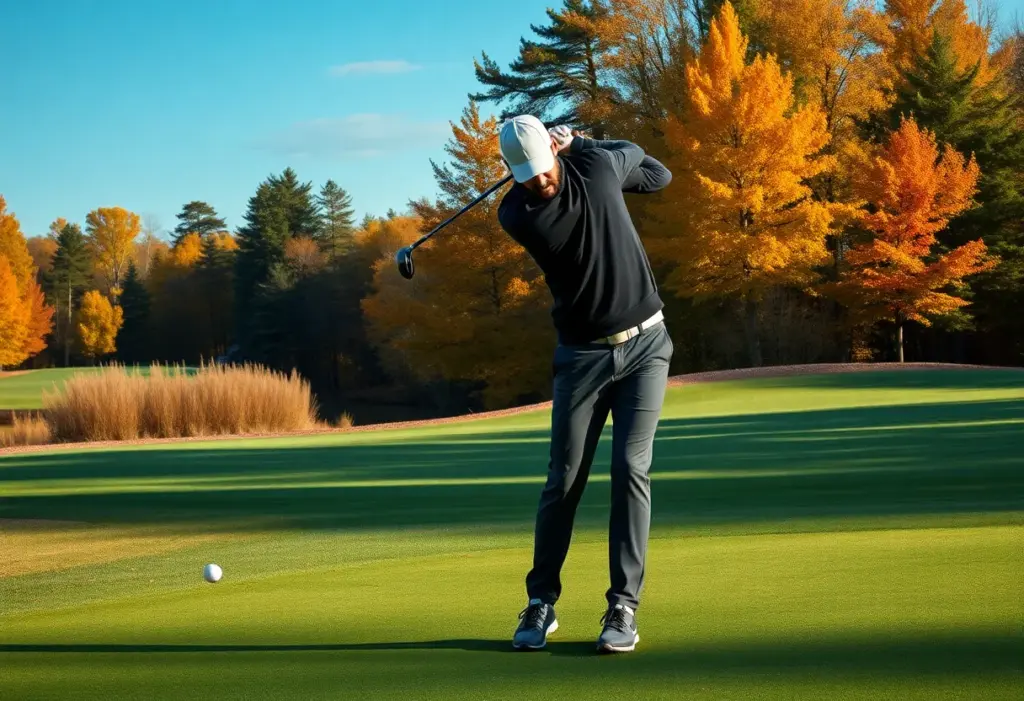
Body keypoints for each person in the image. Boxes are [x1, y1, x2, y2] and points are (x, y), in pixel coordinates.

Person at [496, 114, 674, 654]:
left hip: (647, 347)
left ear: (553, 159)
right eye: (527, 176)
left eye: (544, 170)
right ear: (513, 175)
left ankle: (623, 605)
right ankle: (541, 601)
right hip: (582, 359)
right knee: (564, 479)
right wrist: (580, 141)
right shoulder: (530, 208)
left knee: (629, 469)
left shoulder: (572, 177)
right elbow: (638, 155)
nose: (540, 183)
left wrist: (571, 148)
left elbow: (658, 175)